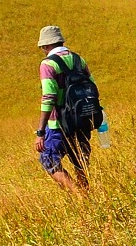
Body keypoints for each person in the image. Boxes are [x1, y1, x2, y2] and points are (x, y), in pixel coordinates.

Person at [33, 24, 97, 192]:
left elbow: (49, 97)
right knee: (80, 160)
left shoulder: (48, 64)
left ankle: (79, 196)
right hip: (83, 118)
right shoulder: (78, 59)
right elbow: (93, 86)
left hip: (59, 123)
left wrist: (40, 132)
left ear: (46, 45)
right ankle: (86, 191)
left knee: (49, 161)